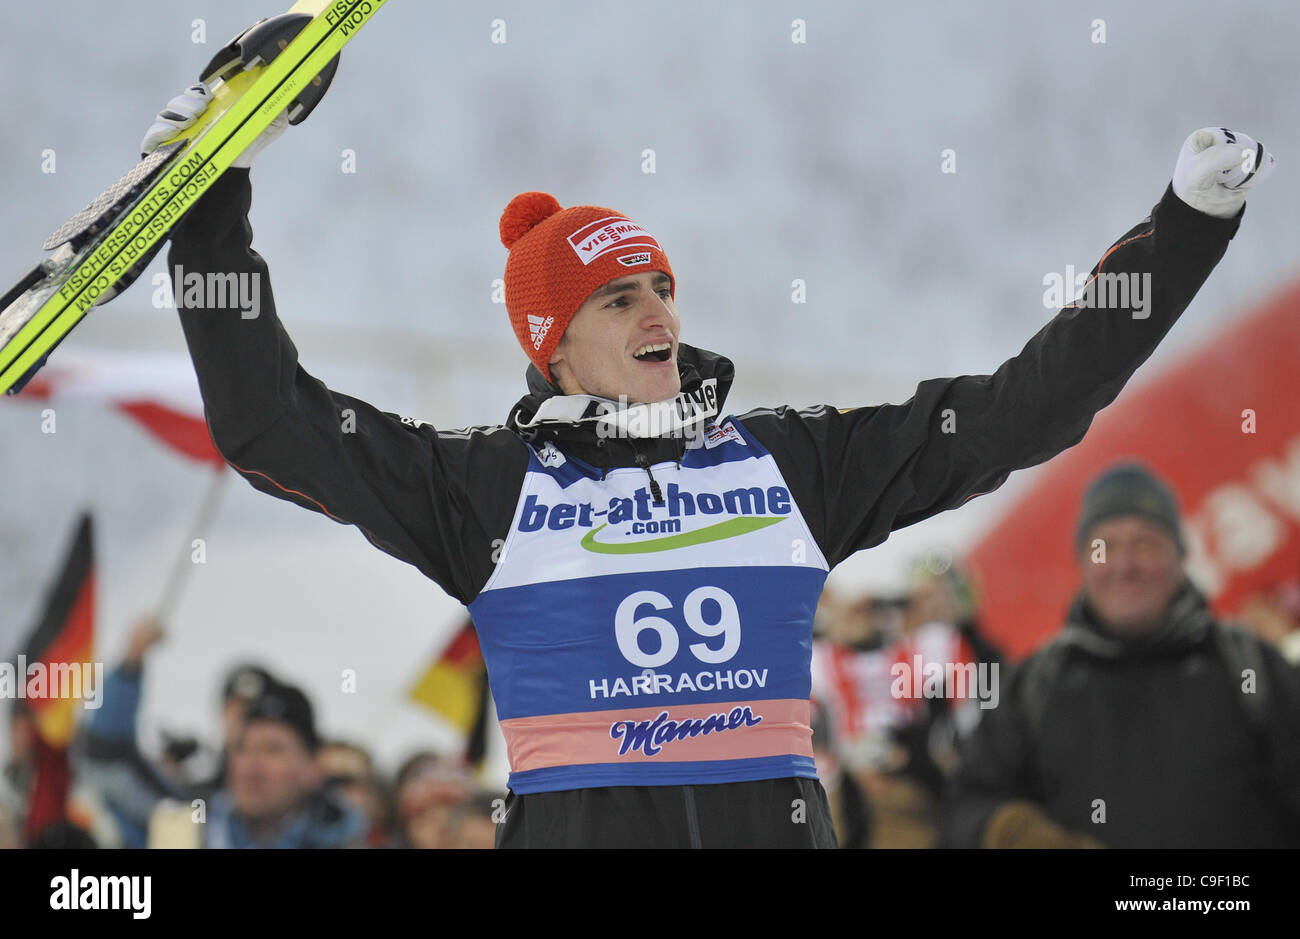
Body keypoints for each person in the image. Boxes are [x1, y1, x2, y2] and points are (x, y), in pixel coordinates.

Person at [144, 80, 1271, 846]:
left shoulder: (789, 462)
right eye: (618, 296)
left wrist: (1183, 231)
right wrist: (208, 213)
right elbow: (272, 427)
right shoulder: (484, 487)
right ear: (552, 346)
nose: (658, 313)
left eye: (665, 287)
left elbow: (1019, 413)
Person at [942, 463, 1300, 848]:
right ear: (1082, 562)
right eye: (1104, 547)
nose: (1124, 565)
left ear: (1180, 557)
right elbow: (965, 807)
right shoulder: (1034, 685)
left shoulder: (1253, 667)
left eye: (1145, 544)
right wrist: (1009, 831)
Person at [194, 681, 364, 849]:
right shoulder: (186, 832)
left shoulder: (349, 840)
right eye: (241, 748)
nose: (251, 769)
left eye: (273, 750)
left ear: (313, 769)